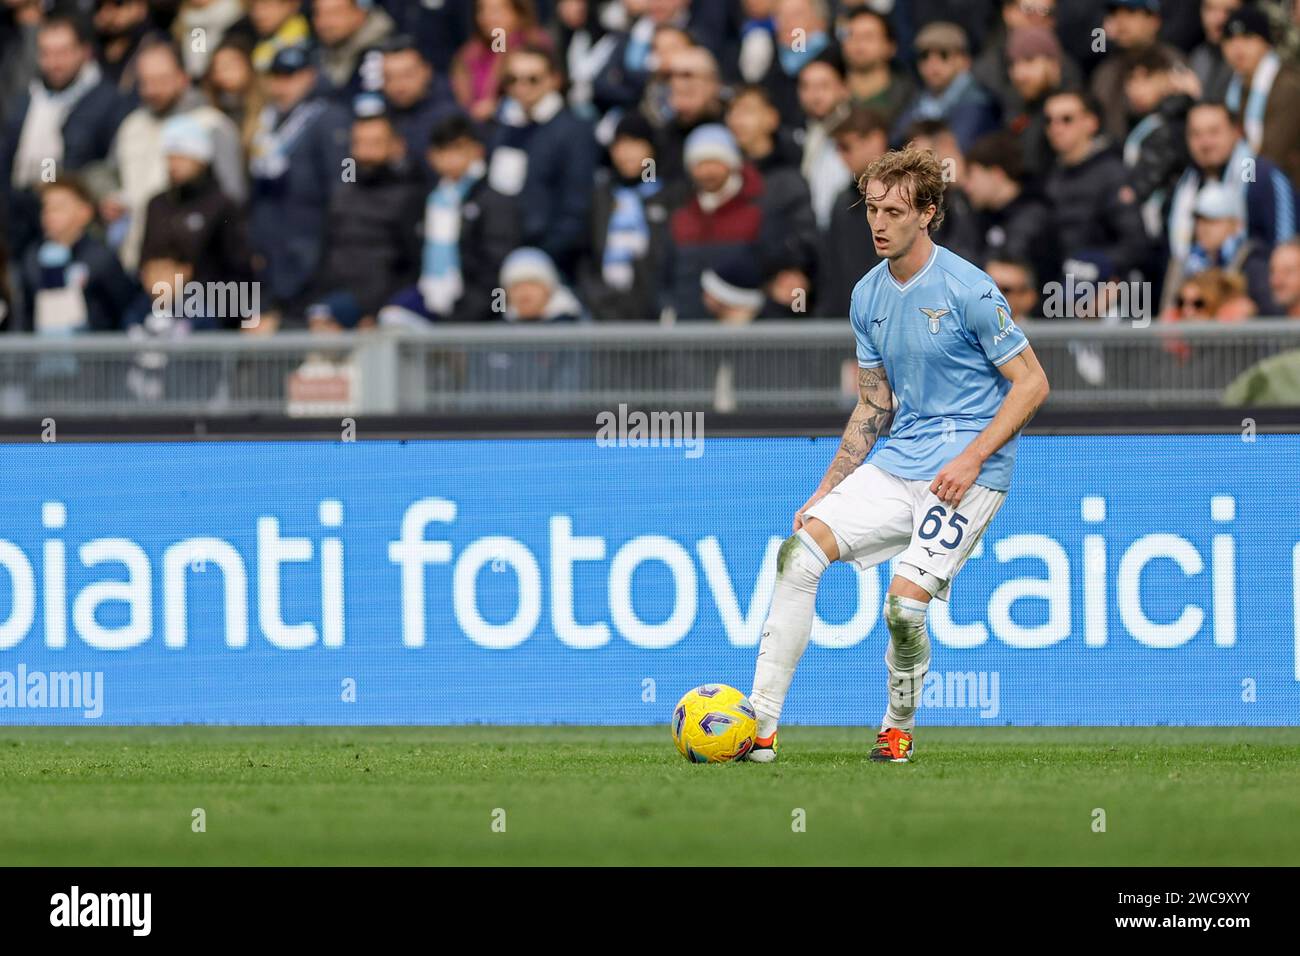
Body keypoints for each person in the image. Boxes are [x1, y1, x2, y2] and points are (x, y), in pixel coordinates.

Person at [744, 145, 1049, 764]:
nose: (879, 223)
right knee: (798, 554)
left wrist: (970, 460)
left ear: (928, 214)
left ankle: (896, 725)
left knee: (904, 608)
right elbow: (873, 407)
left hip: (969, 474)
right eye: (872, 210)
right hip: (899, 459)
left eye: (894, 211)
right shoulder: (866, 296)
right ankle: (760, 727)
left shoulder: (969, 288)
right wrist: (827, 490)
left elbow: (1033, 383)